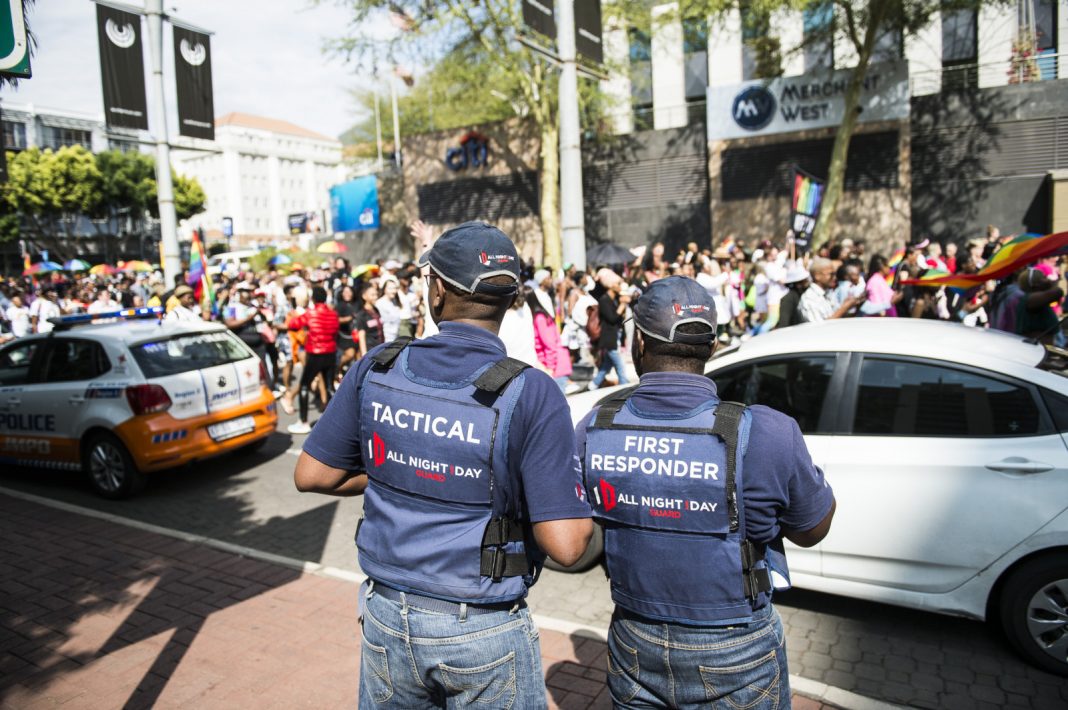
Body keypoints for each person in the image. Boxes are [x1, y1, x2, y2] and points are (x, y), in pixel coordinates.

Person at [292, 221, 593, 708]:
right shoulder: (532, 391)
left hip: (386, 614)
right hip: (481, 628)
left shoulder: (379, 365)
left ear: (436, 292)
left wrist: (396, 467)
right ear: (510, 299)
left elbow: (312, 474)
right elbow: (567, 545)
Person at [574, 276, 836, 708]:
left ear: (639, 343)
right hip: (736, 648)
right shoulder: (768, 431)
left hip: (634, 638)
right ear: (712, 346)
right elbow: (813, 530)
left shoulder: (596, 425)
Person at [284, 286, 339, 435]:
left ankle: (303, 422)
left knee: (304, 385)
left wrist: (298, 311)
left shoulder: (310, 313)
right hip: (331, 353)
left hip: (315, 354)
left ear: (313, 299)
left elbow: (292, 325)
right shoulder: (333, 314)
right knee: (330, 387)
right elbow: (335, 331)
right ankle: (336, 421)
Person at [588, 271, 632, 390]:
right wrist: (622, 306)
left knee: (606, 366)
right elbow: (612, 318)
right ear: (611, 285)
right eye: (618, 283)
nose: (620, 286)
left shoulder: (615, 299)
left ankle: (593, 384)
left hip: (615, 337)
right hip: (609, 338)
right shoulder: (604, 300)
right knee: (619, 366)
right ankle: (624, 387)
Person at [800, 258, 864, 323]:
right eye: (831, 274)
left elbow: (835, 318)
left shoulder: (827, 294)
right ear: (817, 276)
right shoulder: (809, 299)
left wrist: (850, 306)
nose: (835, 278)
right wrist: (844, 308)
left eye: (835, 274)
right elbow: (819, 327)